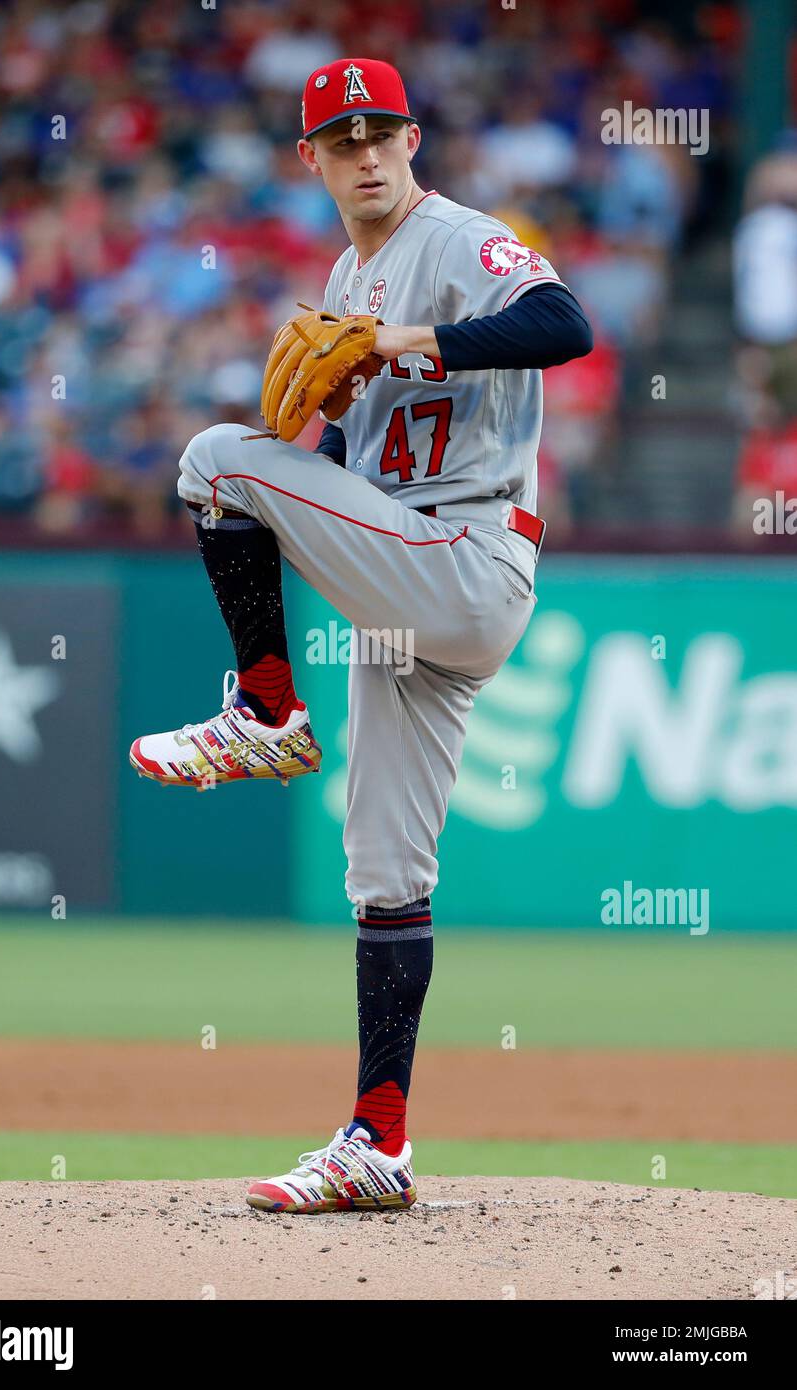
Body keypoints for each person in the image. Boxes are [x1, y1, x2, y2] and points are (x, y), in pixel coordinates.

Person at [130, 58, 592, 1214]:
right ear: (312, 160)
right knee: (386, 876)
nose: (367, 152)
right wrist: (324, 448)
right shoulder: (346, 272)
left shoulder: (453, 240)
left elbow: (561, 323)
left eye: (382, 130)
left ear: (412, 138)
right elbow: (351, 474)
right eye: (342, 139)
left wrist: (404, 345)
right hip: (408, 588)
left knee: (212, 459)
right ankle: (376, 1141)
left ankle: (268, 708)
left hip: (468, 553)